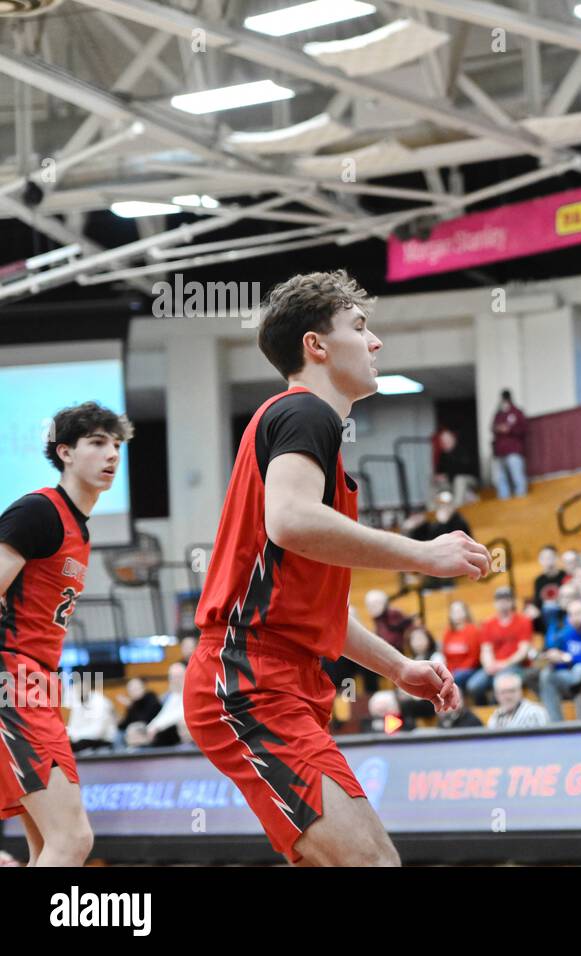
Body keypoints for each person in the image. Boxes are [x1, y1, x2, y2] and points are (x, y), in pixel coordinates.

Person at [184, 270, 491, 866]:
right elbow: (291, 520)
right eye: (360, 326)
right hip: (249, 677)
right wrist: (424, 553)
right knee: (373, 862)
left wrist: (399, 666)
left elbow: (317, 607)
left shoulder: (311, 428)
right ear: (316, 346)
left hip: (279, 675)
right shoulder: (306, 413)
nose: (375, 342)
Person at [0, 400, 131, 866]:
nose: (112, 454)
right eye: (97, 443)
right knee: (72, 839)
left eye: (116, 445)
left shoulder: (82, 529)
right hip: (12, 680)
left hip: (38, 684)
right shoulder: (38, 511)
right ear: (66, 452)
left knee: (45, 846)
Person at [467, 587, 533, 705]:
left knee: (500, 683)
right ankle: (485, 712)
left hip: (517, 666)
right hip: (495, 665)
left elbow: (523, 651)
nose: (503, 603)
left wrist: (504, 664)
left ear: (512, 601)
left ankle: (499, 713)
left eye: (506, 599)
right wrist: (489, 665)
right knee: (473, 685)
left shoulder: (524, 621)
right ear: (495, 603)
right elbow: (486, 649)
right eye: (499, 600)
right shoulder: (488, 624)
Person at [401, 492, 472, 591]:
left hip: (457, 554)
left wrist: (443, 523)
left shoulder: (459, 521)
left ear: (452, 505)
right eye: (440, 505)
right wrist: (411, 528)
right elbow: (429, 537)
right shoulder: (437, 522)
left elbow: (457, 539)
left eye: (445, 505)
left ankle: (444, 583)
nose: (442, 507)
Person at [491, 389, 528, 499]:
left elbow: (523, 429)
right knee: (501, 478)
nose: (503, 401)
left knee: (517, 476)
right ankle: (504, 499)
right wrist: (498, 428)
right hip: (500, 452)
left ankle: (521, 497)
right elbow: (492, 428)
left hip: (513, 450)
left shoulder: (517, 412)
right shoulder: (498, 414)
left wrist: (509, 429)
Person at [440, 600, 481, 698]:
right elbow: (446, 656)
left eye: (459, 611)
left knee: (454, 678)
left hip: (470, 669)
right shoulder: (448, 633)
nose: (457, 614)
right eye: (454, 612)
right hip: (453, 671)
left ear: (466, 612)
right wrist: (449, 671)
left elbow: (473, 658)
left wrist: (455, 672)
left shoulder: (473, 630)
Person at [65, 679, 117, 754]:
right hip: (82, 741)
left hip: (103, 741)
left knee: (72, 748)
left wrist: (76, 735)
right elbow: (72, 727)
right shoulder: (78, 704)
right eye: (75, 688)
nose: (77, 690)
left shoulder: (100, 702)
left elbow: (98, 732)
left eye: (80, 687)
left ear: (87, 687)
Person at [431, 426, 478, 505]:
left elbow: (464, 470)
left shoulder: (463, 449)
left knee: (459, 479)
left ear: (453, 438)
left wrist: (447, 476)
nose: (445, 441)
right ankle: (433, 508)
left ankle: (457, 506)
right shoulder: (443, 454)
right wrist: (438, 476)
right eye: (443, 440)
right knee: (433, 480)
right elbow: (440, 470)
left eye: (447, 439)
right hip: (451, 480)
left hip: (469, 479)